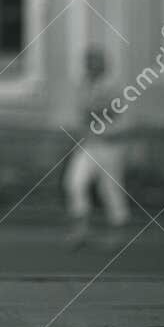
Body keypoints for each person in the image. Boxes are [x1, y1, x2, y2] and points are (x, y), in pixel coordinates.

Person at [64, 45, 132, 245]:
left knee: (110, 188)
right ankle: (81, 229)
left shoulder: (114, 87)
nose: (91, 67)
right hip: (89, 144)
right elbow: (81, 114)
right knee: (74, 182)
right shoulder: (84, 86)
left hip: (111, 144)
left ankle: (118, 232)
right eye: (88, 63)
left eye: (95, 63)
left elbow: (121, 117)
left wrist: (108, 126)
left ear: (103, 65)